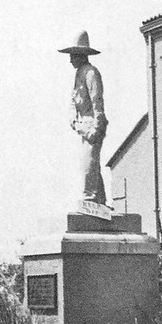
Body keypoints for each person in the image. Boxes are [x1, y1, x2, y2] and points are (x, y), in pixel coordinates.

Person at [59, 30, 108, 205]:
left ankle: (90, 198)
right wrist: (73, 121)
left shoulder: (91, 73)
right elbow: (74, 100)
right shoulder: (79, 74)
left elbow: (97, 102)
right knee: (91, 164)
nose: (70, 59)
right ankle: (99, 198)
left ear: (81, 55)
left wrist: (96, 127)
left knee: (89, 163)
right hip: (83, 125)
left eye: (73, 55)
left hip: (93, 123)